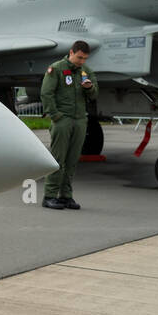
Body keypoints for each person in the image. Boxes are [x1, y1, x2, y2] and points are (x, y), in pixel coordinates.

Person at [39, 40, 98, 209]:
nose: (81, 61)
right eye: (79, 57)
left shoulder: (86, 72)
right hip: (63, 120)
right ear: (71, 52)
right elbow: (46, 93)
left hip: (79, 120)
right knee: (58, 159)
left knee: (72, 161)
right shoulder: (56, 69)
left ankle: (66, 196)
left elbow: (94, 95)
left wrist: (89, 87)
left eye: (84, 58)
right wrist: (56, 116)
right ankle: (49, 196)